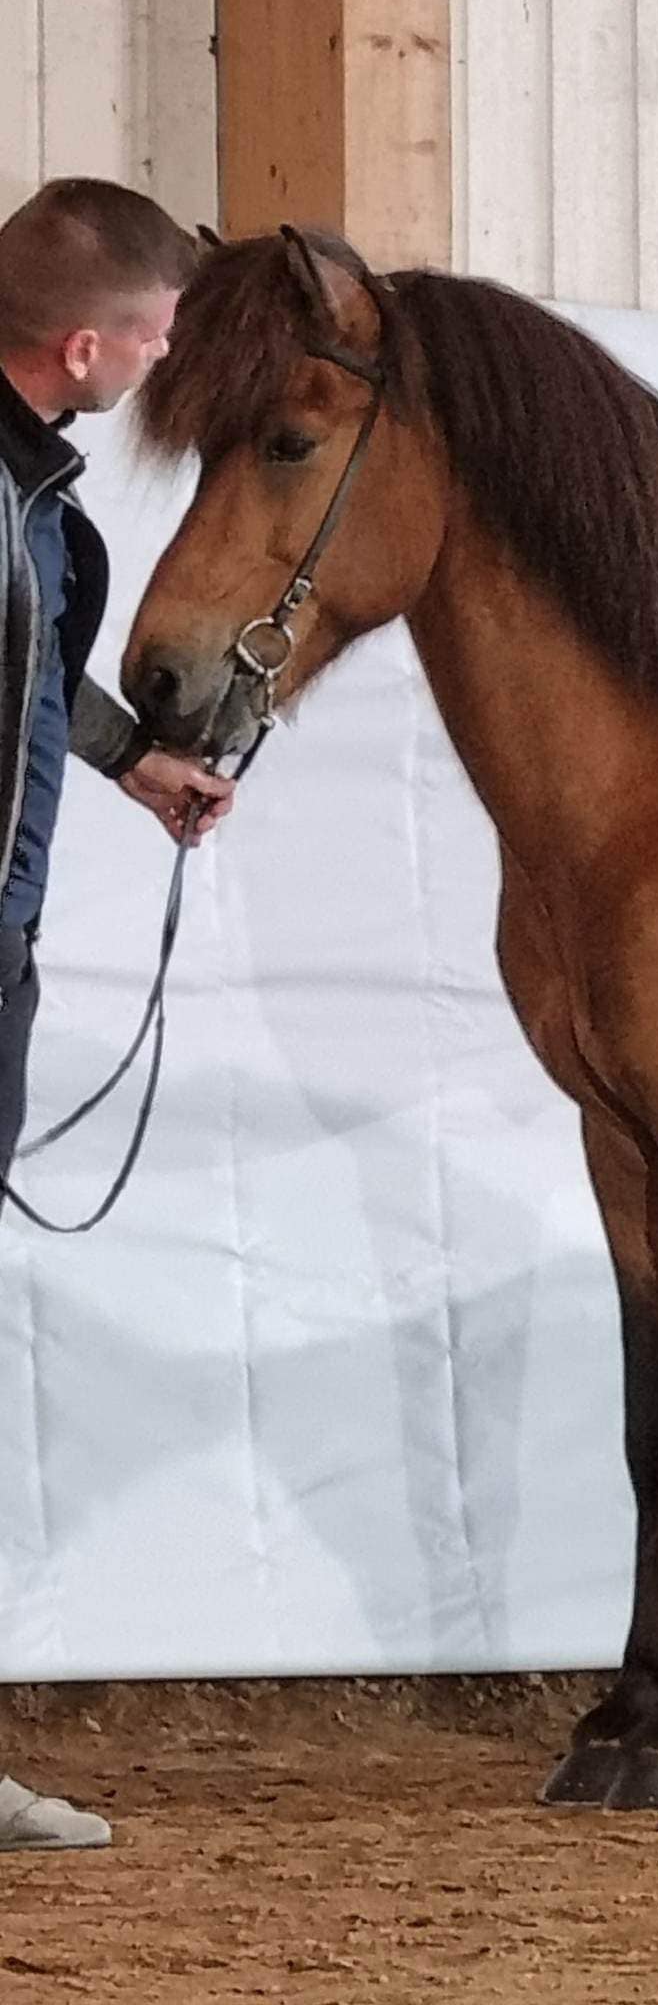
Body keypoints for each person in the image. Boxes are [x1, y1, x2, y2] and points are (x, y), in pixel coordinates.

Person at [0, 178, 236, 1850]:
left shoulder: (49, 518)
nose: (159, 366)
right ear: (86, 346)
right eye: (156, 340)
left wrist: (127, 758)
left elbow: (26, 673)